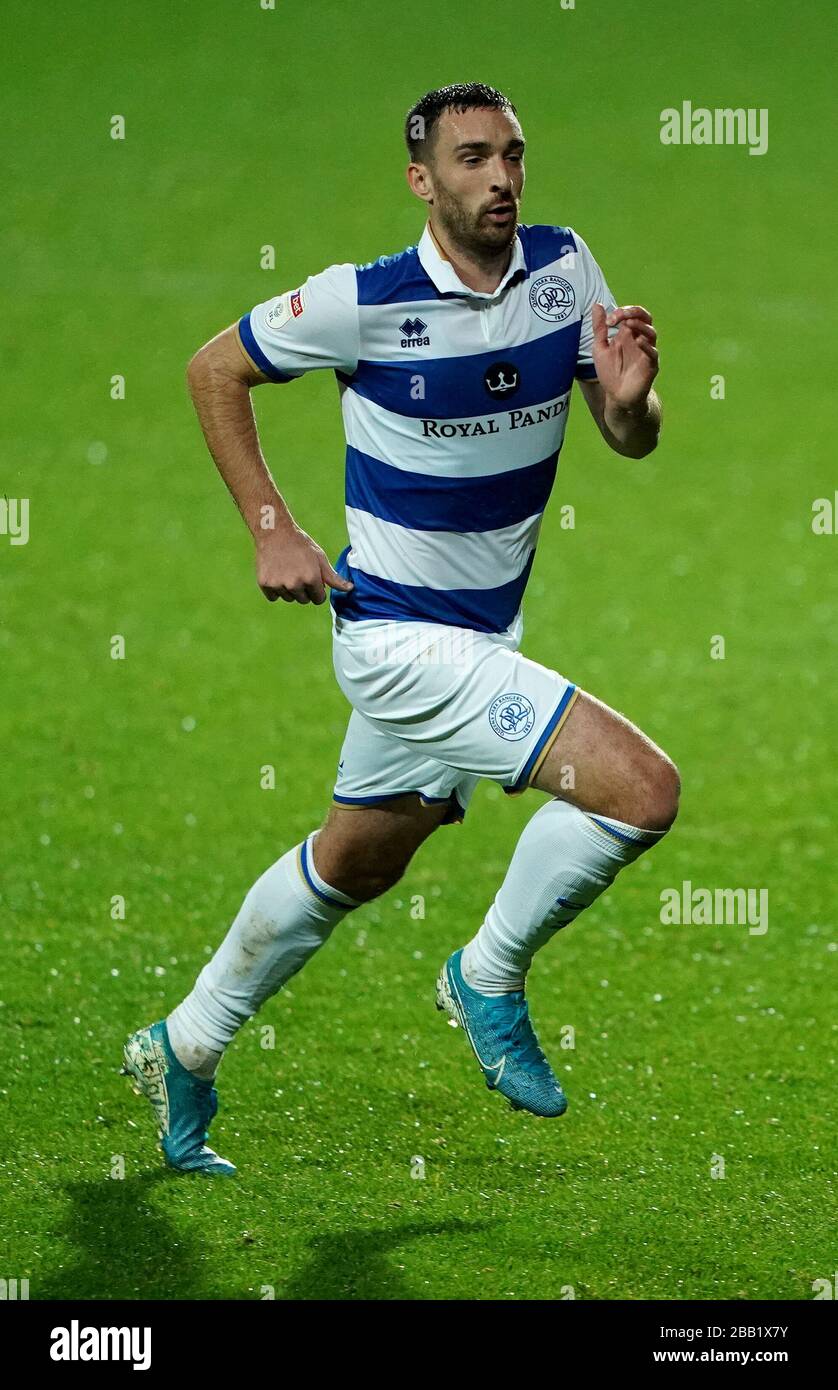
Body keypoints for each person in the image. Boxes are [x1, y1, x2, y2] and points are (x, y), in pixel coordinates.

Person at [121, 82, 678, 1175]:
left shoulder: (565, 268)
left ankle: (183, 1044)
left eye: (512, 154)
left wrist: (629, 402)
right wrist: (272, 528)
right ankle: (486, 973)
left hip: (482, 636)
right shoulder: (362, 301)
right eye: (473, 158)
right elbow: (213, 368)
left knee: (356, 861)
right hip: (401, 644)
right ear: (422, 180)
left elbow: (630, 437)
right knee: (641, 792)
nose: (501, 178)